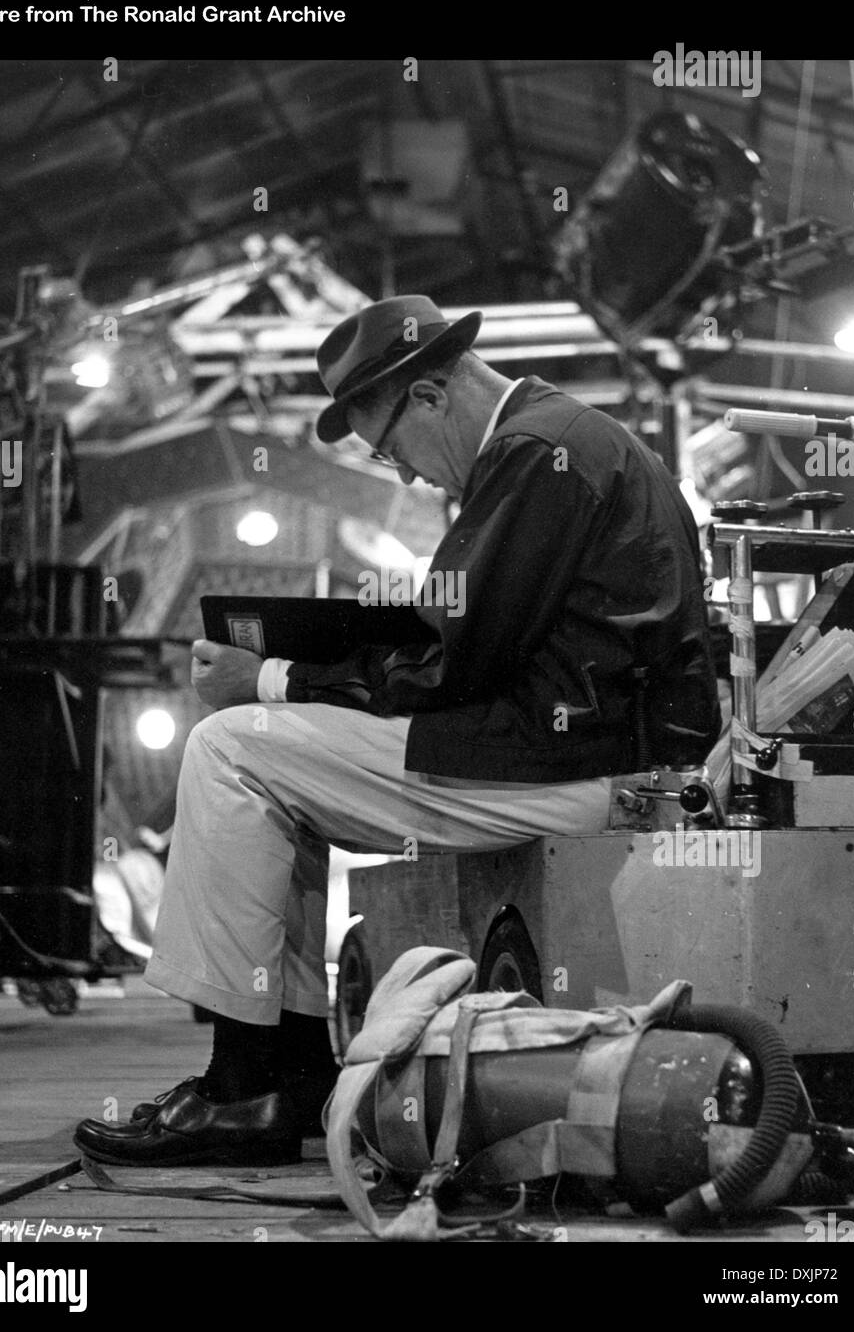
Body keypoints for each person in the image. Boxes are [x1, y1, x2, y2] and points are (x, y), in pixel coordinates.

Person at [74, 294, 721, 1167]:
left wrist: (272, 675)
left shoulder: (531, 454)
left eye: (393, 451)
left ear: (430, 394)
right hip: (589, 751)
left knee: (230, 747)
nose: (409, 477)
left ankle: (245, 1086)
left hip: (566, 765)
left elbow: (451, 667)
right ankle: (287, 1080)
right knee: (274, 776)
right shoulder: (569, 441)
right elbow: (472, 642)